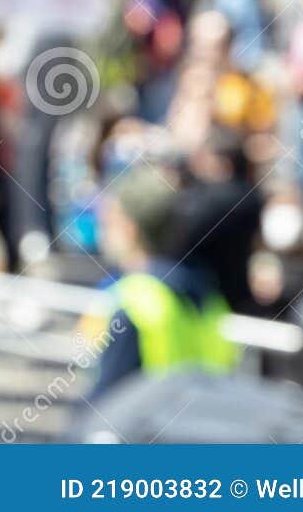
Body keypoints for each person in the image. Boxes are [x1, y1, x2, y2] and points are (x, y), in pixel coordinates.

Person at [87, 165, 239, 398]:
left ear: (128, 228)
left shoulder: (131, 303)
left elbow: (105, 404)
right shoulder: (208, 295)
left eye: (107, 221)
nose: (103, 230)